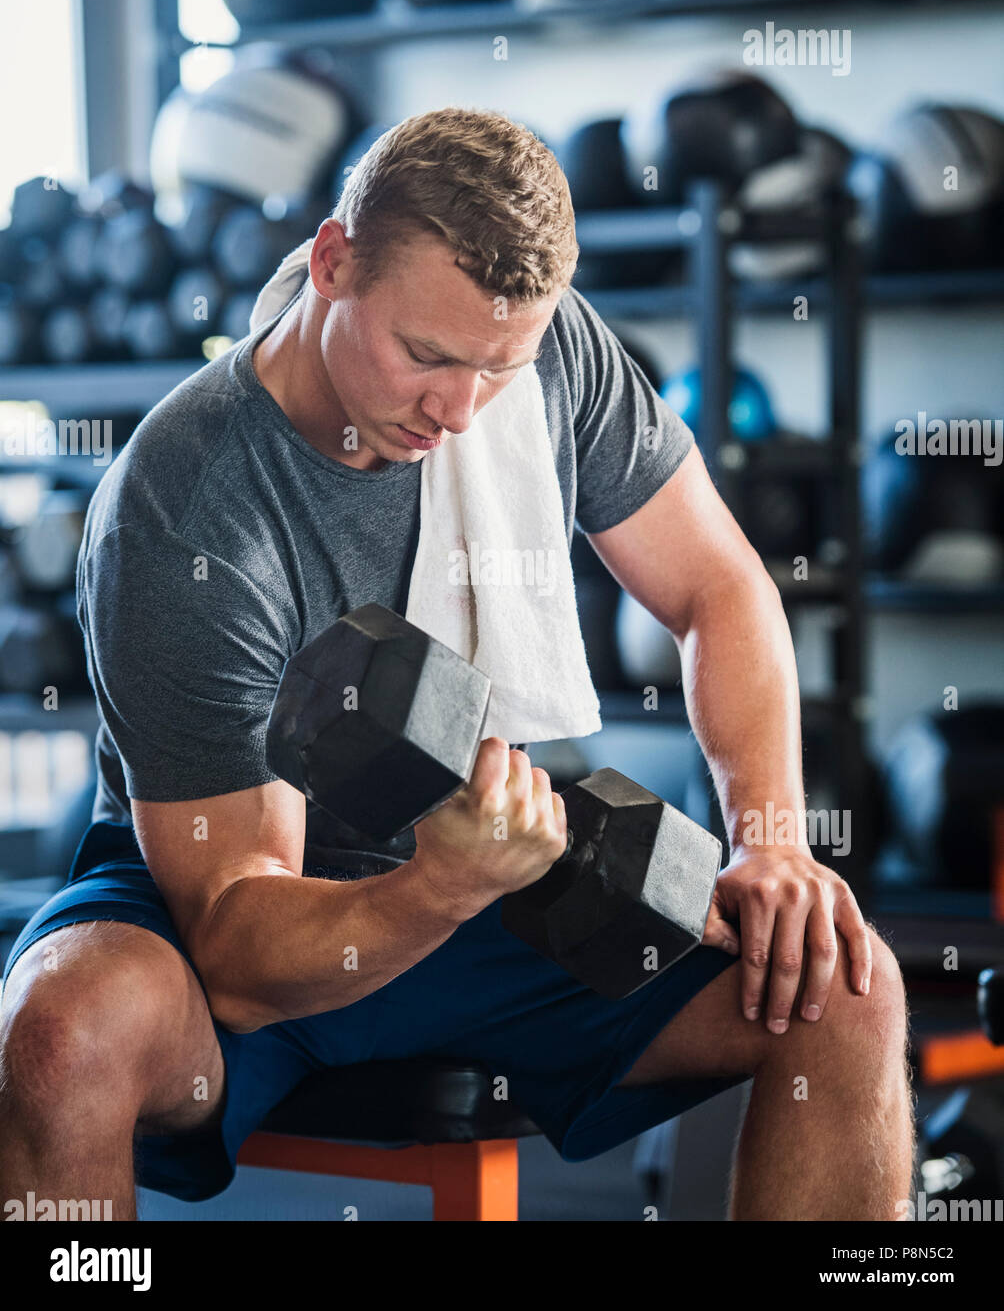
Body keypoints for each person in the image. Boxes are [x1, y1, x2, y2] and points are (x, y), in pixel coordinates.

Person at [0, 109, 911, 1220]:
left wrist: (770, 842)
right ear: (331, 263)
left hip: (483, 862)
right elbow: (236, 948)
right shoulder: (184, 512)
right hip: (238, 907)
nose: (458, 411)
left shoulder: (545, 351)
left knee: (841, 986)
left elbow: (718, 590)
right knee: (62, 1031)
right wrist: (439, 884)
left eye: (496, 368)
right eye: (424, 355)